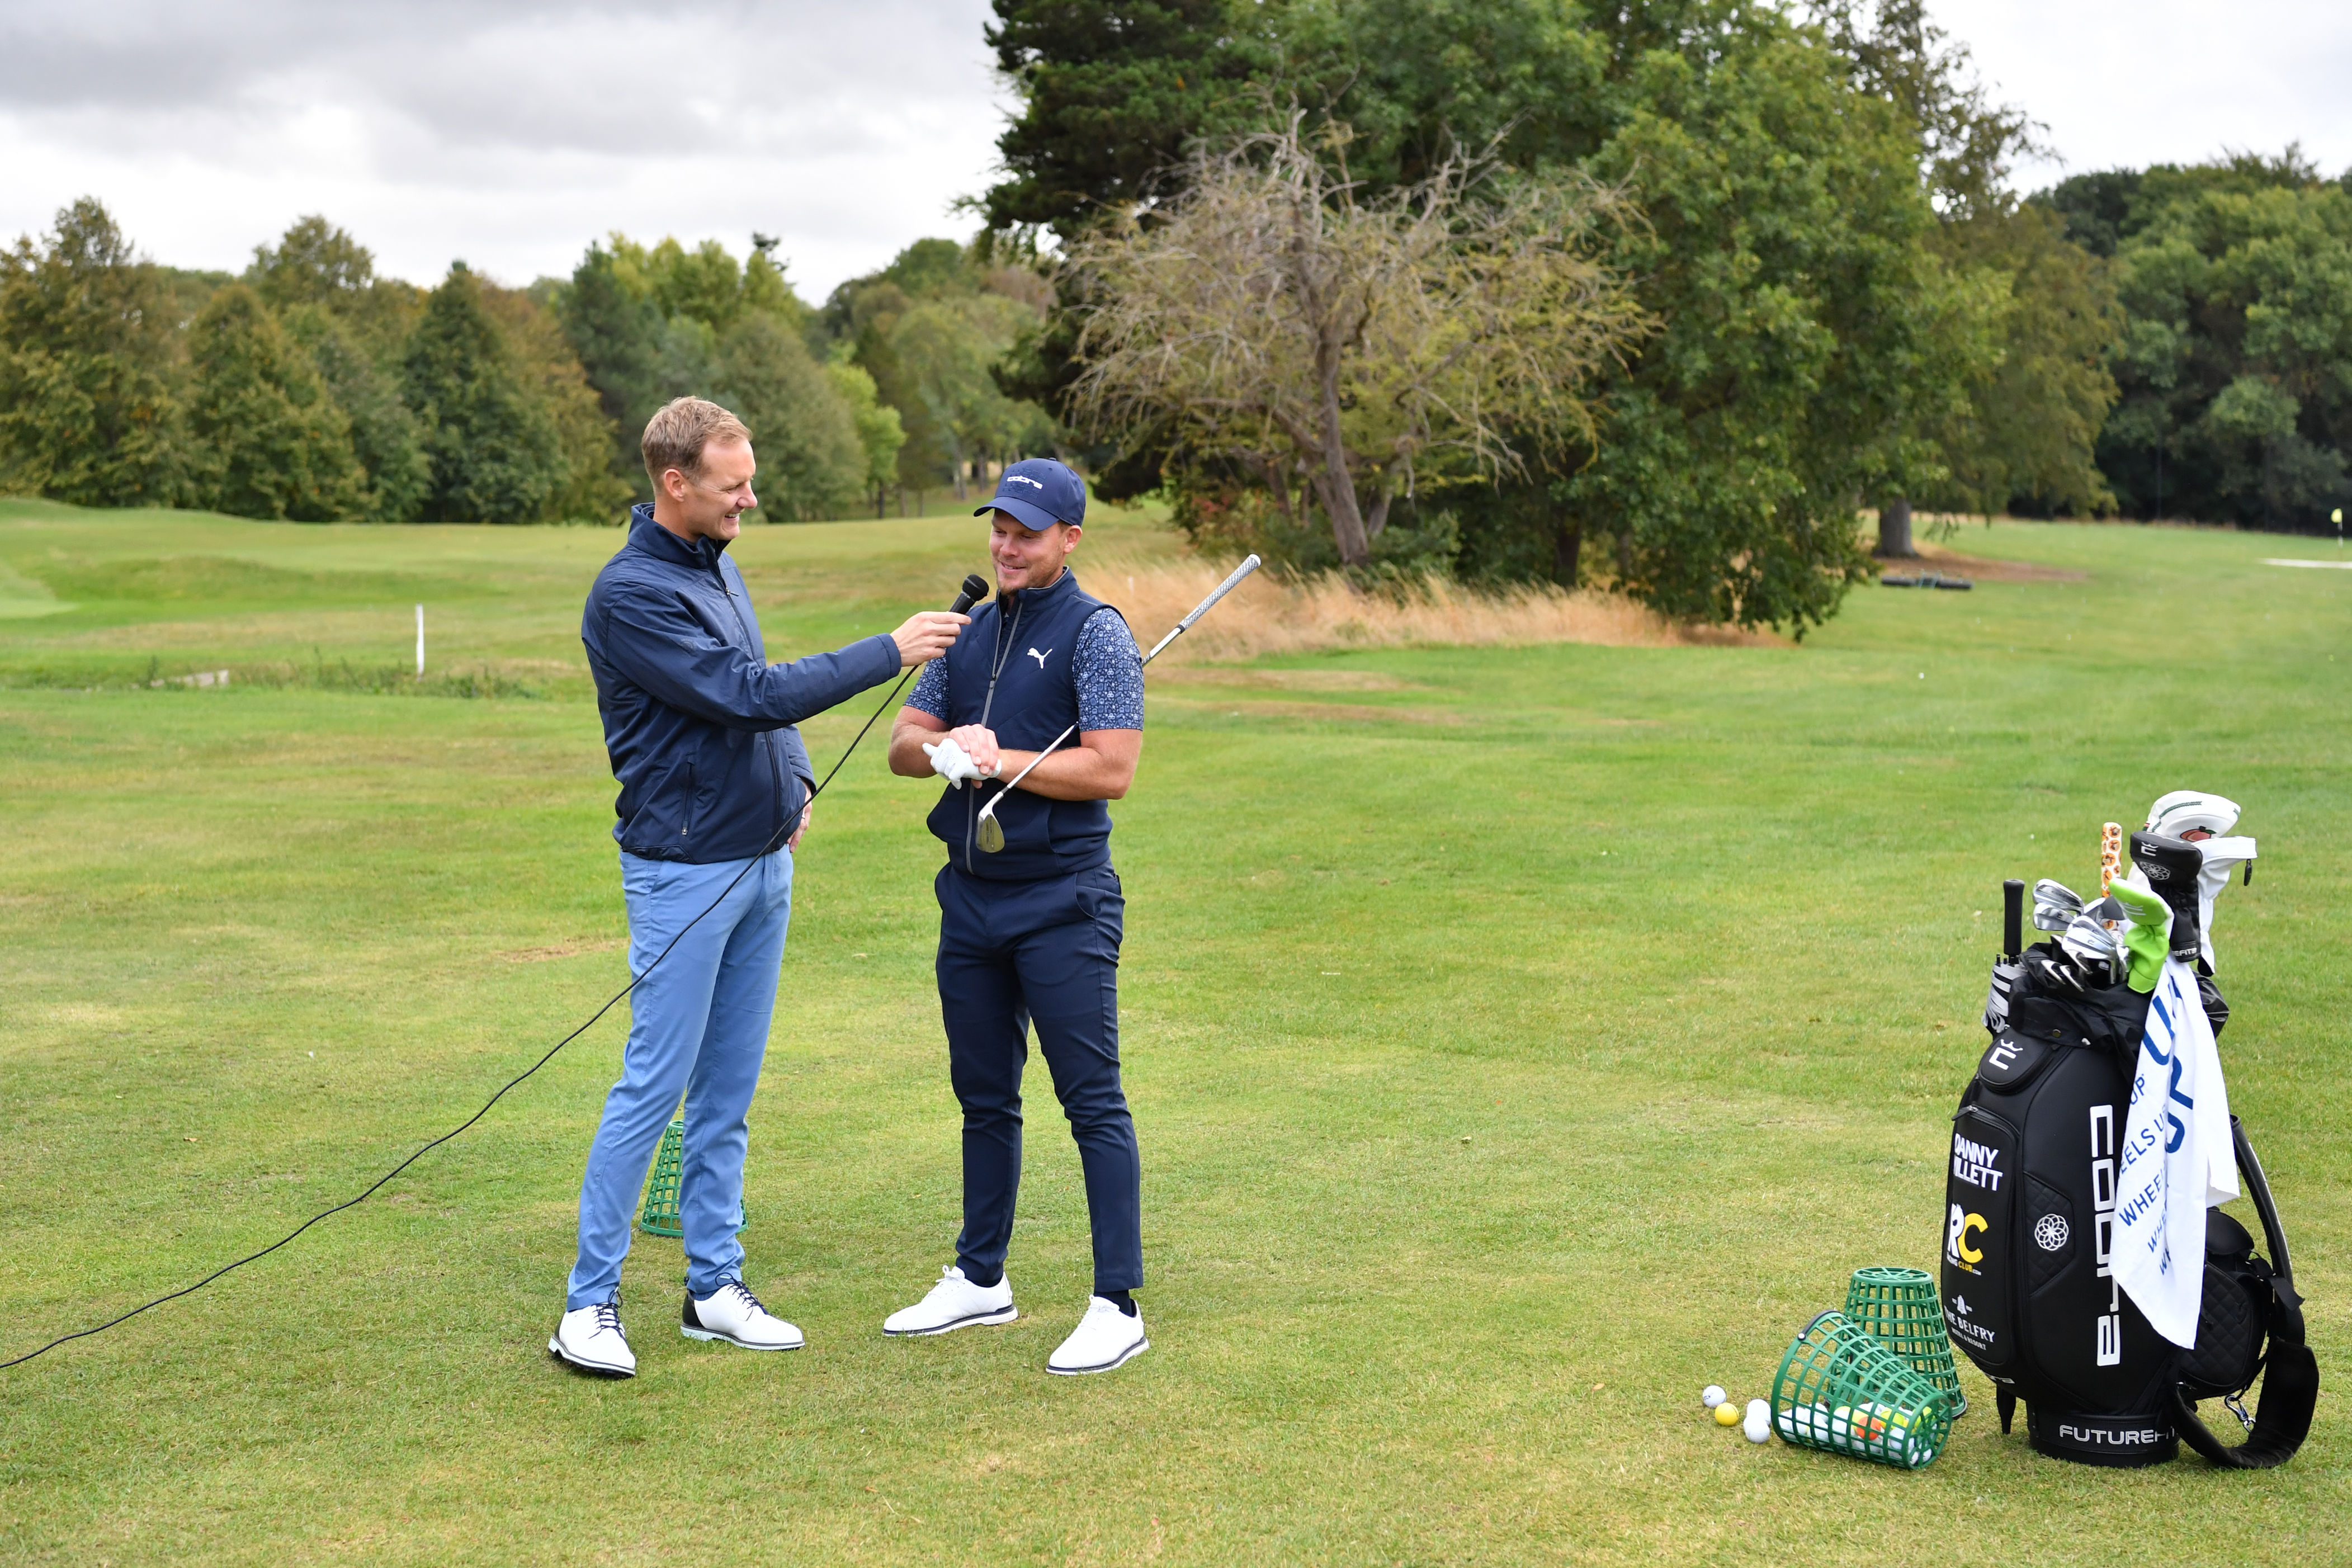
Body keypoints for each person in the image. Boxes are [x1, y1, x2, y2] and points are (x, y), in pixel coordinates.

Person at [550, 396, 967, 1378]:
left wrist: (797, 780)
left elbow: (755, 694)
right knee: (654, 1087)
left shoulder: (717, 564)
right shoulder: (630, 595)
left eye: (748, 479)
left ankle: (713, 1289)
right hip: (683, 875)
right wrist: (887, 651)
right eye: (733, 484)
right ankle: (588, 1305)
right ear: (675, 483)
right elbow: (743, 693)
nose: (750, 498)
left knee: (726, 1094)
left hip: (761, 859)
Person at [882, 457, 1151, 1375]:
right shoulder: (969, 630)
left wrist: (1002, 761)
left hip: (1062, 899)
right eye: (998, 526)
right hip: (970, 899)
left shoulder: (1096, 634)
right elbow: (900, 746)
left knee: (1090, 1101)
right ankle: (979, 1277)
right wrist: (947, 750)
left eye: (1026, 532)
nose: (1005, 544)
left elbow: (1111, 769)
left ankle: (1116, 1301)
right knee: (983, 1095)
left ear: (1068, 540)